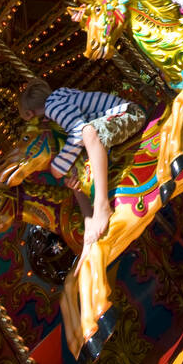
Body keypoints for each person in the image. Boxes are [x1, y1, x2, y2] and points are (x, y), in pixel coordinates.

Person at [17, 80, 146, 245]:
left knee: (88, 133)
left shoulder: (52, 106)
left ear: (29, 115)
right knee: (75, 173)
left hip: (128, 114)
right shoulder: (59, 100)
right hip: (115, 121)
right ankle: (89, 228)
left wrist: (58, 166)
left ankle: (102, 206)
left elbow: (79, 131)